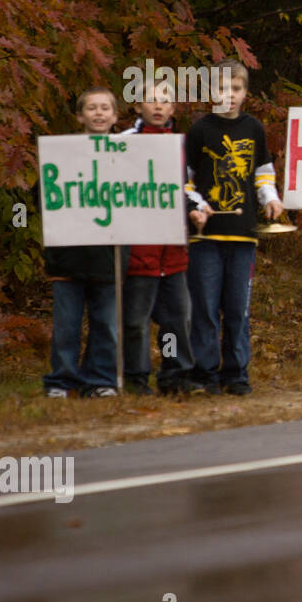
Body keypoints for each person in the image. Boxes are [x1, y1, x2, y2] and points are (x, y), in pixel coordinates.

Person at [185, 58, 283, 395]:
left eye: (235, 89)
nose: (228, 95)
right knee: (205, 308)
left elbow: (263, 172)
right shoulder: (199, 130)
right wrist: (196, 207)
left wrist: (270, 198)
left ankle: (236, 374)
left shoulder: (253, 129)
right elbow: (185, 180)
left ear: (246, 94)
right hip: (205, 237)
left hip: (243, 236)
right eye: (221, 88)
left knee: (238, 309)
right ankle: (205, 374)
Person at [41, 87, 129, 398]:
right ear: (80, 115)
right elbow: (48, 198)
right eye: (92, 108)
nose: (99, 113)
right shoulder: (62, 155)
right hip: (68, 257)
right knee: (66, 328)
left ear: (115, 116)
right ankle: (61, 382)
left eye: (106, 108)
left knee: (106, 325)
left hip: (109, 257)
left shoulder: (127, 157)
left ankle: (100, 381)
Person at [119, 81, 204, 395]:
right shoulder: (124, 142)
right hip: (139, 250)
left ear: (173, 108)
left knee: (176, 318)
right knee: (136, 321)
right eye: (150, 100)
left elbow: (186, 191)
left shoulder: (181, 145)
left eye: (164, 100)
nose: (157, 105)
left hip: (173, 252)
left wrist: (196, 211)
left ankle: (175, 375)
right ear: (138, 106)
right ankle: (136, 378)